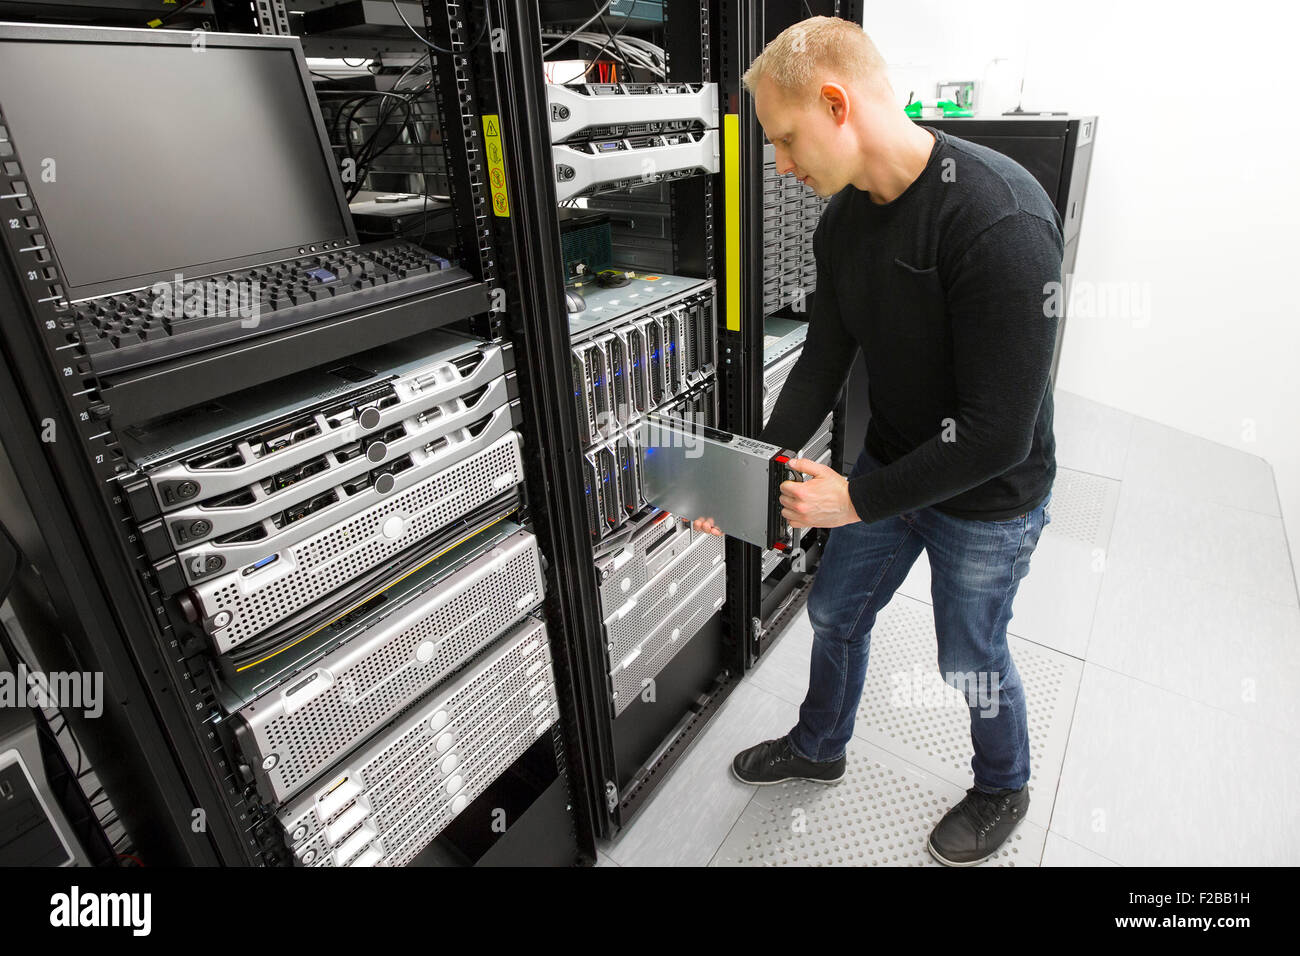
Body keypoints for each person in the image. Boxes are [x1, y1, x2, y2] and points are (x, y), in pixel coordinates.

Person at [692, 16, 1060, 866]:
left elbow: (998, 435)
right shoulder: (844, 224)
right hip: (891, 463)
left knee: (968, 652)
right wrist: (747, 470)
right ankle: (820, 748)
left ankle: (1003, 782)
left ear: (835, 102)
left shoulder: (998, 218)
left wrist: (853, 497)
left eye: (785, 139)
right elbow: (825, 359)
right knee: (832, 611)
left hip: (986, 499)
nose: (781, 164)